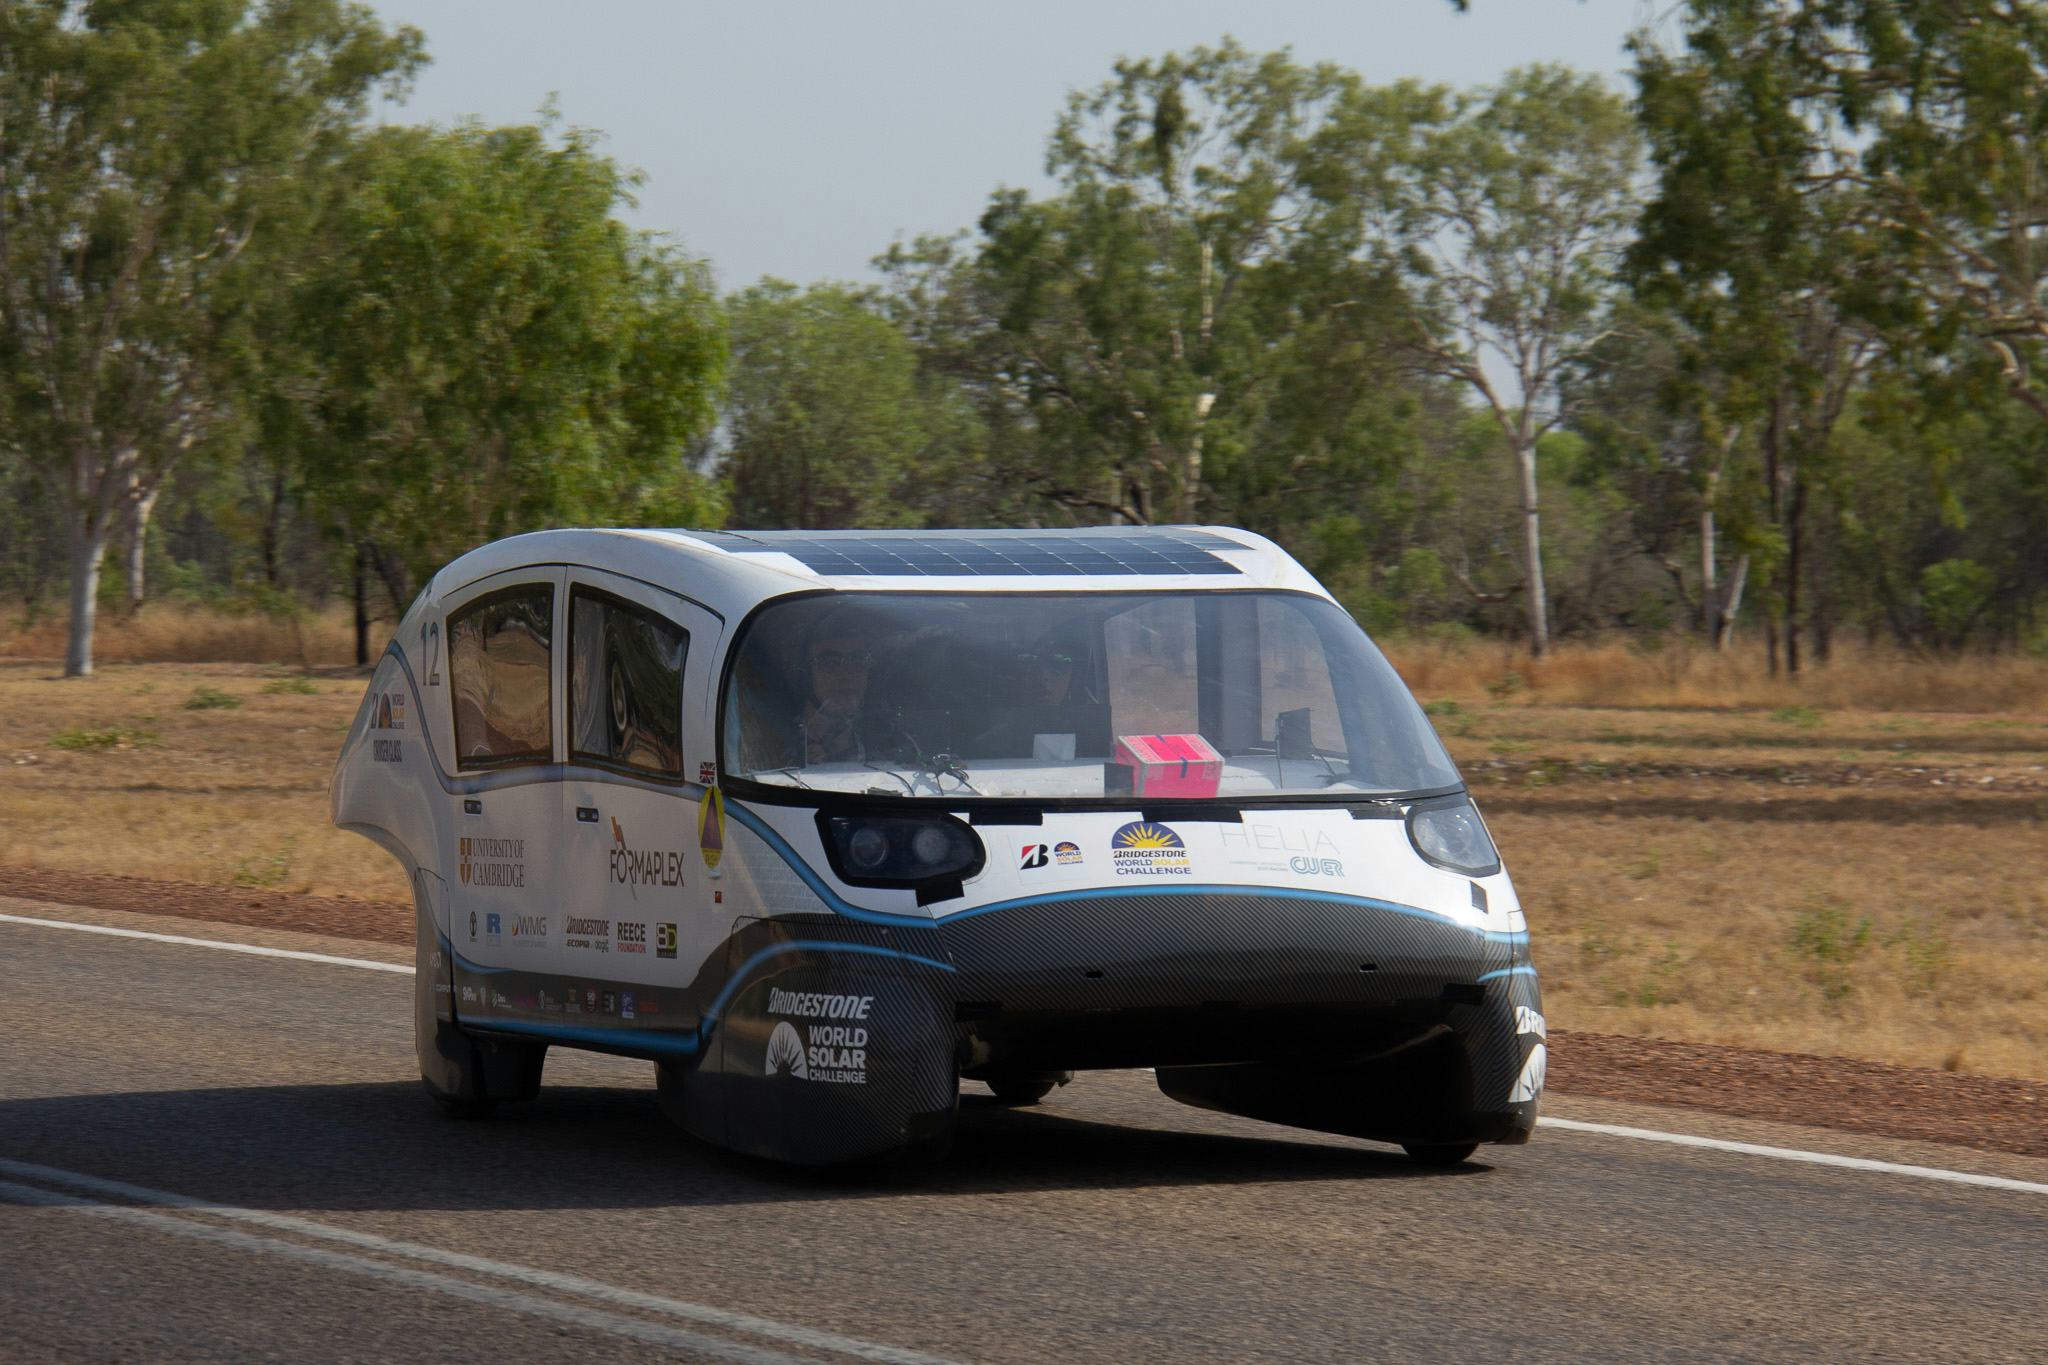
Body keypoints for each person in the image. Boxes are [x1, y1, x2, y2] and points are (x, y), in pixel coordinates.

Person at [800, 622, 874, 764]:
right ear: (807, 675)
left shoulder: (893, 740)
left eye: (858, 661)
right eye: (829, 663)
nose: (846, 675)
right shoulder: (775, 742)